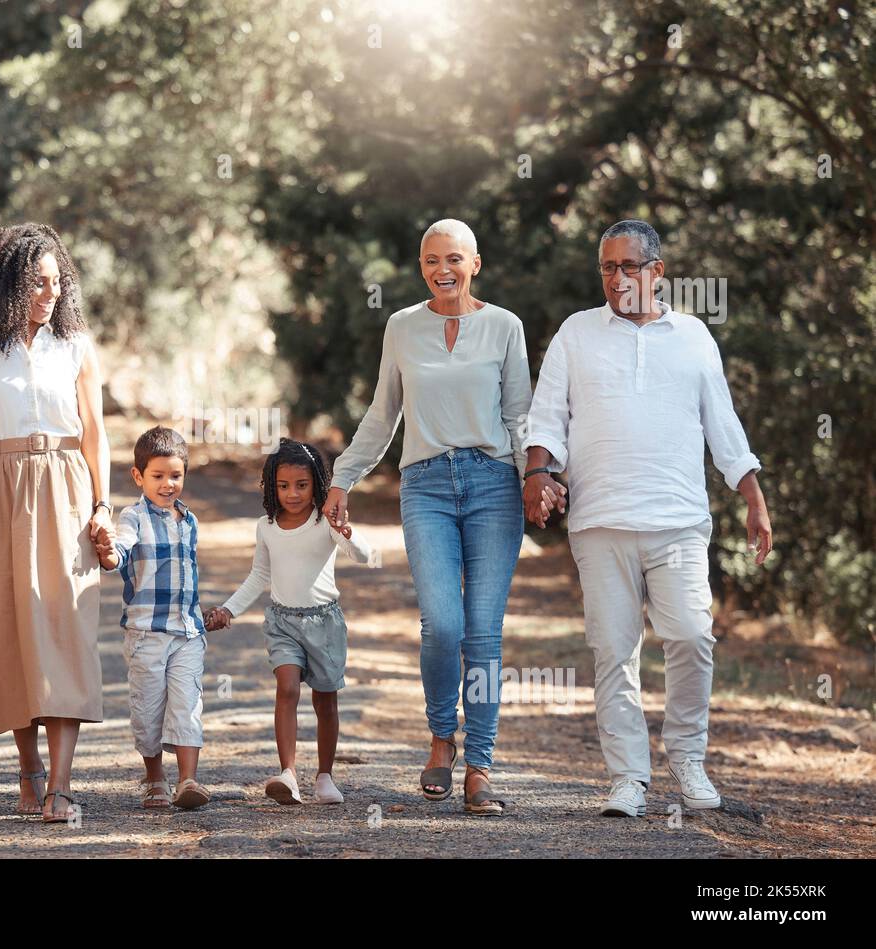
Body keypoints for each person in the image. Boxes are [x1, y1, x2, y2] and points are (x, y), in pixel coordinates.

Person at [522, 219, 773, 818]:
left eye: (628, 266)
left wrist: (754, 498)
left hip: (679, 519)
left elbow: (724, 426)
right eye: (607, 267)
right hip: (599, 519)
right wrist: (536, 474)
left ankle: (687, 758)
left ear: (657, 271)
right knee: (613, 651)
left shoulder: (694, 338)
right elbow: (547, 416)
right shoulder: (576, 334)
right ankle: (628, 778)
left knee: (691, 635)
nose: (616, 278)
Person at [321, 218, 557, 815]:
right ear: (420, 264)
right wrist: (342, 477)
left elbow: (519, 413)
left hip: (493, 485)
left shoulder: (505, 326)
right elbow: (383, 413)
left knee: (482, 632)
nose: (442, 269)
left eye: (453, 258)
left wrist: (537, 476)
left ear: (475, 262)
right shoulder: (402, 327)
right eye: (430, 260)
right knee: (442, 626)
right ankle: (439, 739)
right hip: (424, 485)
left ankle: (480, 765)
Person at [0, 223, 113, 824]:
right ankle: (29, 769)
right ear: (7, 283)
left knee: (64, 625)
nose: (50, 291)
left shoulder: (76, 346)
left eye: (56, 280)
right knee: (9, 628)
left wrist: (102, 505)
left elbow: (95, 433)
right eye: (36, 281)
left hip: (66, 484)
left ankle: (62, 786)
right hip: (2, 488)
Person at [207, 438, 373, 806]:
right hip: (283, 622)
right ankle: (289, 774)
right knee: (287, 688)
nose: (293, 494)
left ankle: (325, 777)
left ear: (317, 483)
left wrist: (347, 532)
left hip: (324, 623)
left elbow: (363, 556)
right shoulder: (266, 526)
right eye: (283, 486)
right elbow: (258, 576)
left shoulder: (324, 521)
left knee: (325, 702)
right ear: (272, 486)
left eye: (302, 485)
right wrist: (228, 610)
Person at [96, 426, 212, 811]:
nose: (167, 484)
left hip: (187, 632)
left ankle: (188, 780)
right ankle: (154, 776)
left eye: (175, 476)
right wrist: (108, 552)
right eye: (158, 476)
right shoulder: (133, 518)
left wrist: (201, 616)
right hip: (146, 634)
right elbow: (120, 555)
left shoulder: (189, 520)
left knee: (187, 701)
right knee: (148, 710)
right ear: (138, 476)